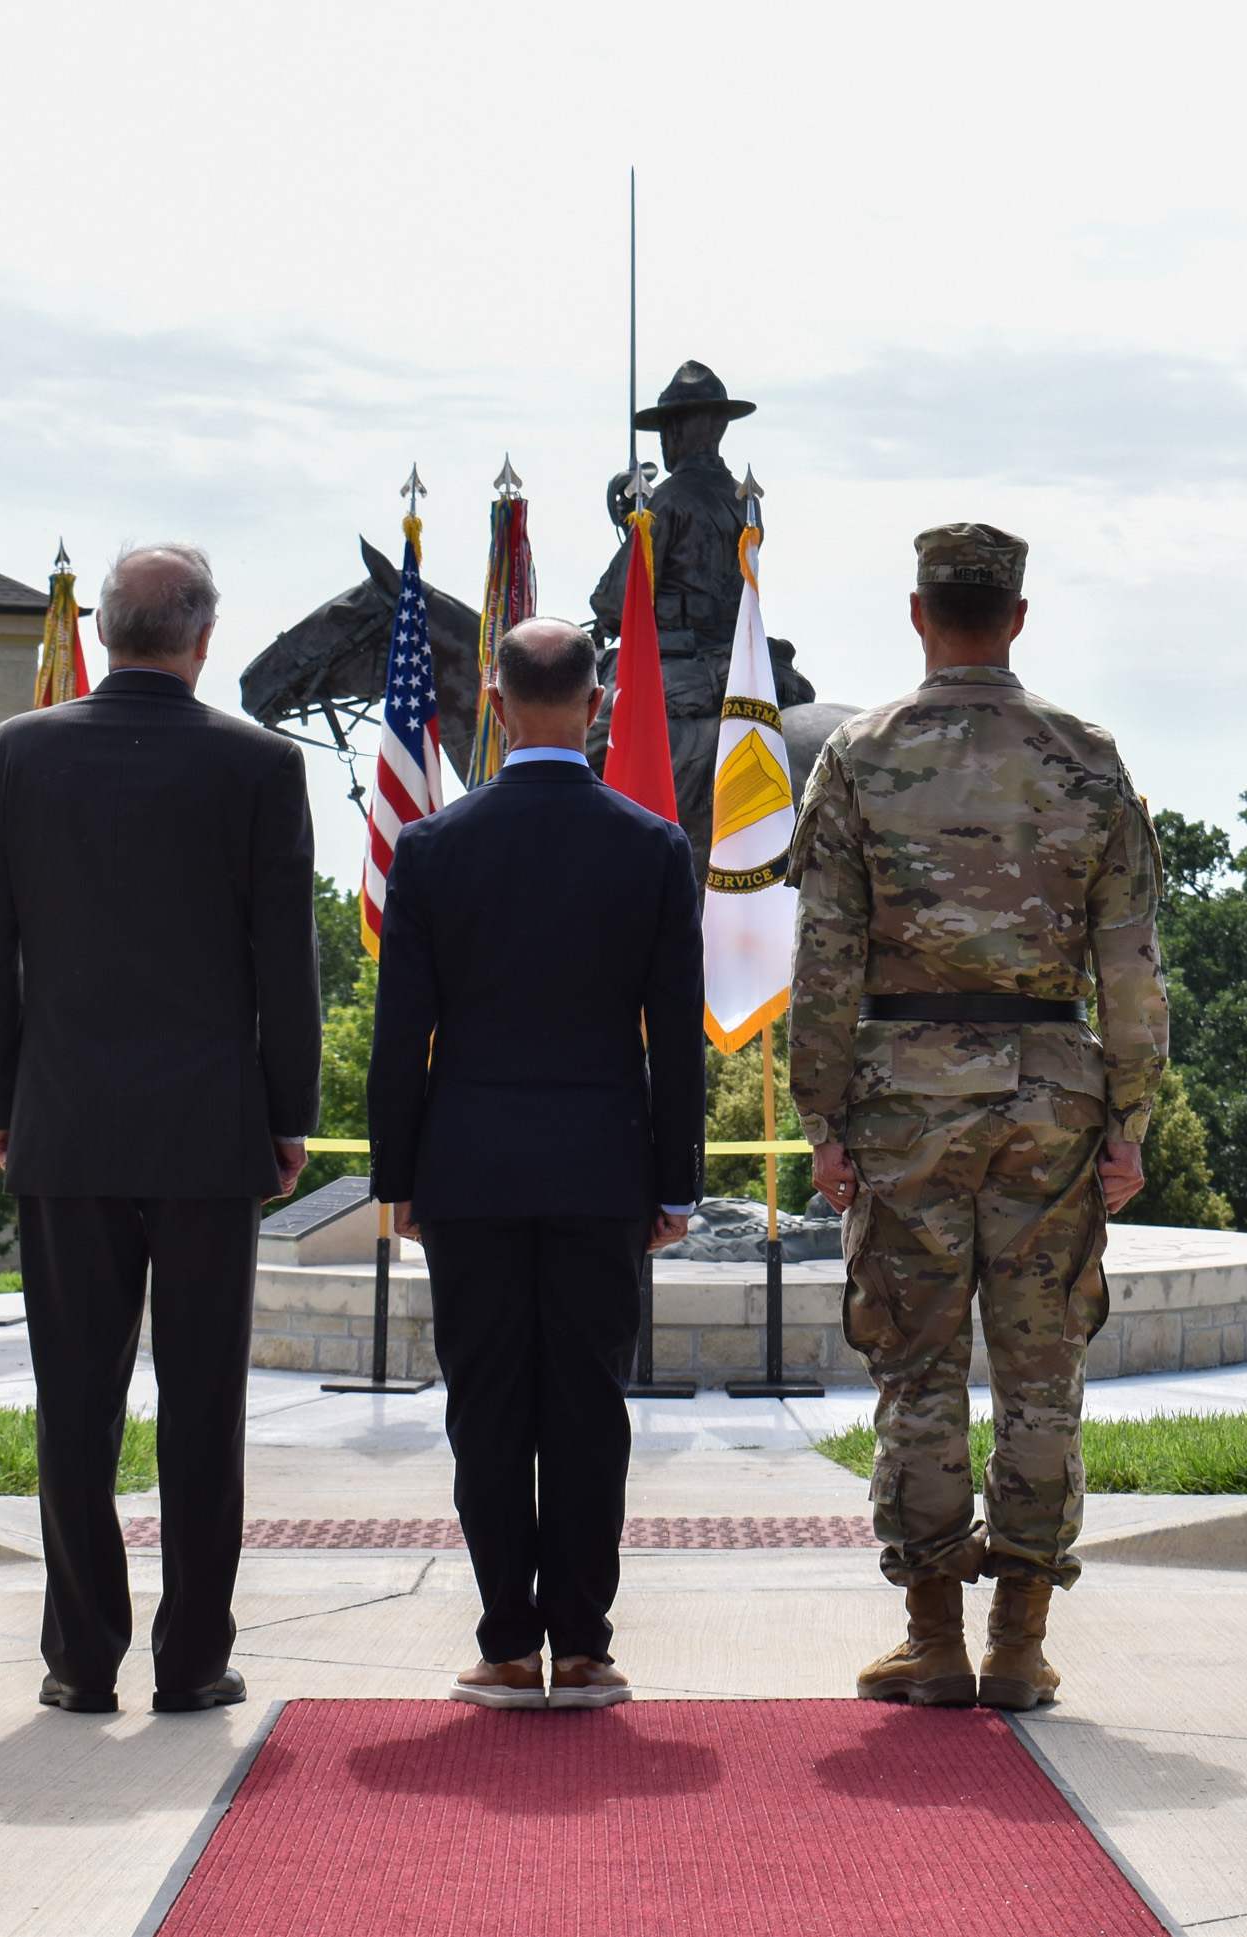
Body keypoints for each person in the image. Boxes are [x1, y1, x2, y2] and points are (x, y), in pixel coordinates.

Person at [787, 523, 1166, 1713]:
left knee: (917, 1365)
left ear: (917, 613)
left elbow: (826, 959)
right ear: (1014, 614)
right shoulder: (1086, 759)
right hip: (1053, 1091)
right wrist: (1131, 1116)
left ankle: (933, 1635)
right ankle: (1019, 1638)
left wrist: (821, 1113)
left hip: (903, 1095)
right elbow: (1132, 965)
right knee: (1041, 1363)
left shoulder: (858, 756)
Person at [0, 543, 321, 1716]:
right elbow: (286, 965)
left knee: (76, 1402)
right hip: (212, 1129)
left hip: (63, 1122)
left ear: (103, 632)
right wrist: (287, 1114)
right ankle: (193, 1658)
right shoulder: (259, 766)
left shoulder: (10, 759)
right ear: (202, 638)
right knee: (204, 1405)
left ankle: (78, 1658)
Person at [368, 617, 705, 1711]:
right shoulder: (650, 846)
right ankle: (589, 1645)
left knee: (488, 1410)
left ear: (498, 704)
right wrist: (674, 1181)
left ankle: (508, 1641)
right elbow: (671, 1031)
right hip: (601, 1169)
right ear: (597, 700)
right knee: (588, 1410)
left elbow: (398, 1030)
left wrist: (397, 1175)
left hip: (467, 1170)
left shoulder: (430, 847)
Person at [587, 360, 815, 865]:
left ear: (681, 431)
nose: (666, 440)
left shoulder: (666, 502)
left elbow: (613, 602)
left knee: (586, 743)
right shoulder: (743, 503)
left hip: (681, 669)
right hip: (743, 662)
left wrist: (634, 528)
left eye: (669, 428)